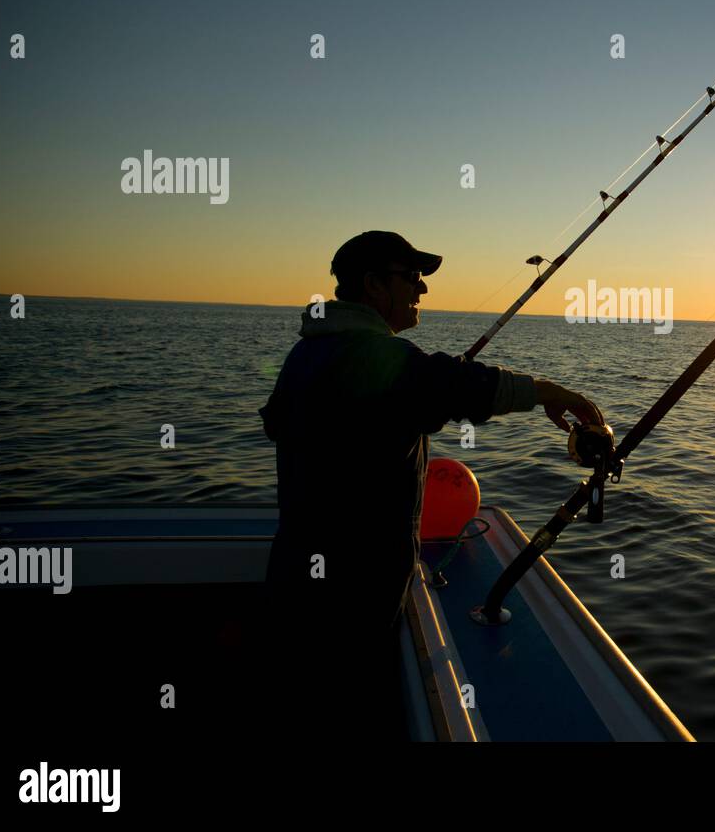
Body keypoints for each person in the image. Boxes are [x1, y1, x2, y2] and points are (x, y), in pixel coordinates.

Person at [256, 230, 604, 745]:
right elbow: (455, 385)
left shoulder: (308, 355)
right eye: (411, 278)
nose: (421, 290)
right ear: (374, 285)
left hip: (298, 575)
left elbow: (285, 421)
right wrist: (550, 391)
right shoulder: (368, 356)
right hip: (352, 597)